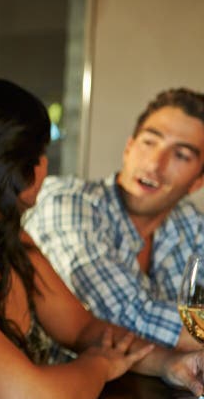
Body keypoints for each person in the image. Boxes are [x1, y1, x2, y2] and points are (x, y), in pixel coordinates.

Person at [0, 76, 204, 399]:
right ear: (2, 165)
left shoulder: (7, 239)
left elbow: (83, 328)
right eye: (38, 153)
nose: (46, 165)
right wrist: (100, 365)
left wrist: (170, 365)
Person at [24, 88, 204, 350]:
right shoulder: (68, 203)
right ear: (129, 148)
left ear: (197, 182)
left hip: (151, 387)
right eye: (149, 142)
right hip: (54, 384)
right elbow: (126, 316)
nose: (155, 163)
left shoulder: (190, 223)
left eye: (180, 155)